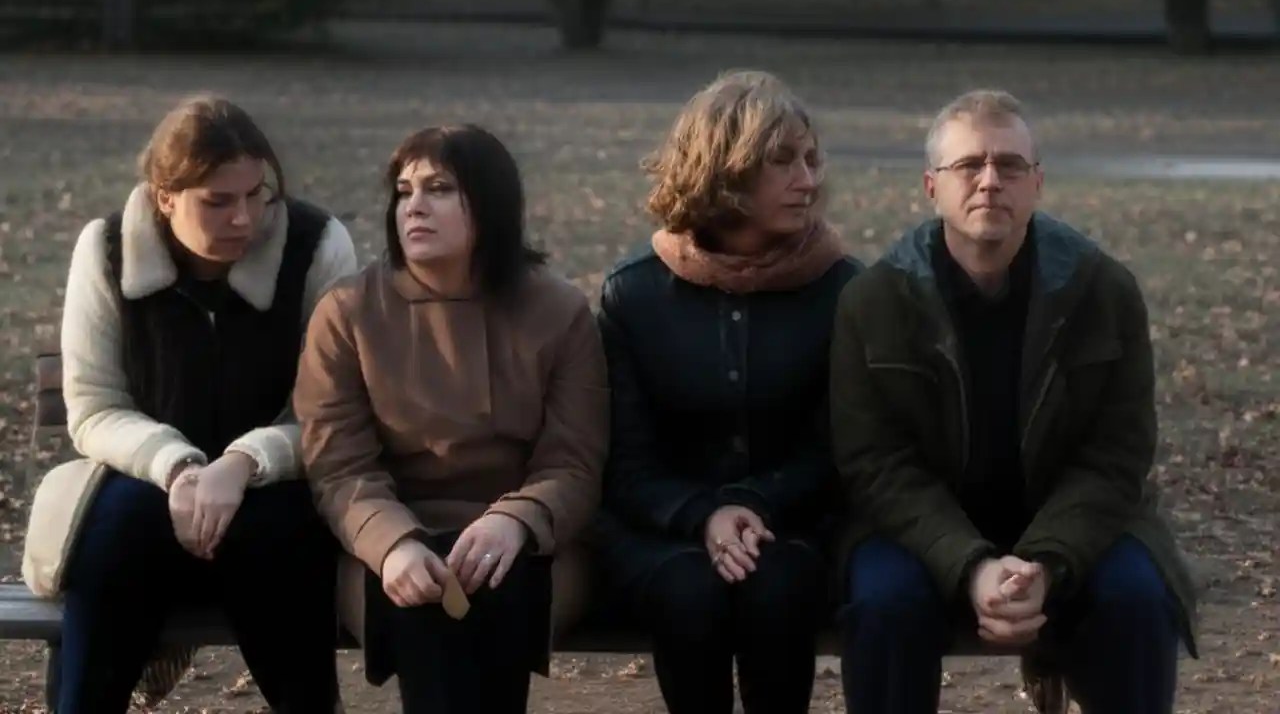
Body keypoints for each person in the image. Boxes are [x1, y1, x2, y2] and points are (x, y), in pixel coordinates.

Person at [831, 89, 1197, 714]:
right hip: (925, 529)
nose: (990, 182)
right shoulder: (875, 301)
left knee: (1138, 599)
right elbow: (876, 465)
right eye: (969, 166)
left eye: (1011, 166)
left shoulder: (1101, 291)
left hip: (1076, 522)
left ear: (1037, 183)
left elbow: (1117, 456)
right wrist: (971, 565)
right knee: (882, 604)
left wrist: (1045, 563)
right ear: (931, 186)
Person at [51, 95, 357, 712]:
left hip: (276, 488)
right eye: (217, 201)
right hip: (148, 483)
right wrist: (178, 467)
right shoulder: (108, 249)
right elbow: (94, 406)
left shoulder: (317, 245)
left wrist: (242, 463)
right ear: (165, 196)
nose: (243, 218)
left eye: (257, 195)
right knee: (115, 530)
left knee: (273, 534)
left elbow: (336, 408)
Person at [293, 123, 609, 714]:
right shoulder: (348, 312)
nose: (414, 206)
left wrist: (517, 521)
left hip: (531, 542)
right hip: (391, 537)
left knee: (499, 595)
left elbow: (575, 461)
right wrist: (393, 545)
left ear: (489, 203)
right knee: (421, 610)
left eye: (438, 188)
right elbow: (338, 467)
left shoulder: (559, 311)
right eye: (404, 190)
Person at [592, 70, 861, 714]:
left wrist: (749, 505)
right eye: (782, 161)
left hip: (798, 525)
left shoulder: (844, 290)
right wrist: (702, 516)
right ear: (726, 171)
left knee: (777, 588)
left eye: (811, 159)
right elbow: (625, 463)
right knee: (689, 594)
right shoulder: (635, 294)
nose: (808, 178)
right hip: (662, 531)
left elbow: (841, 449)